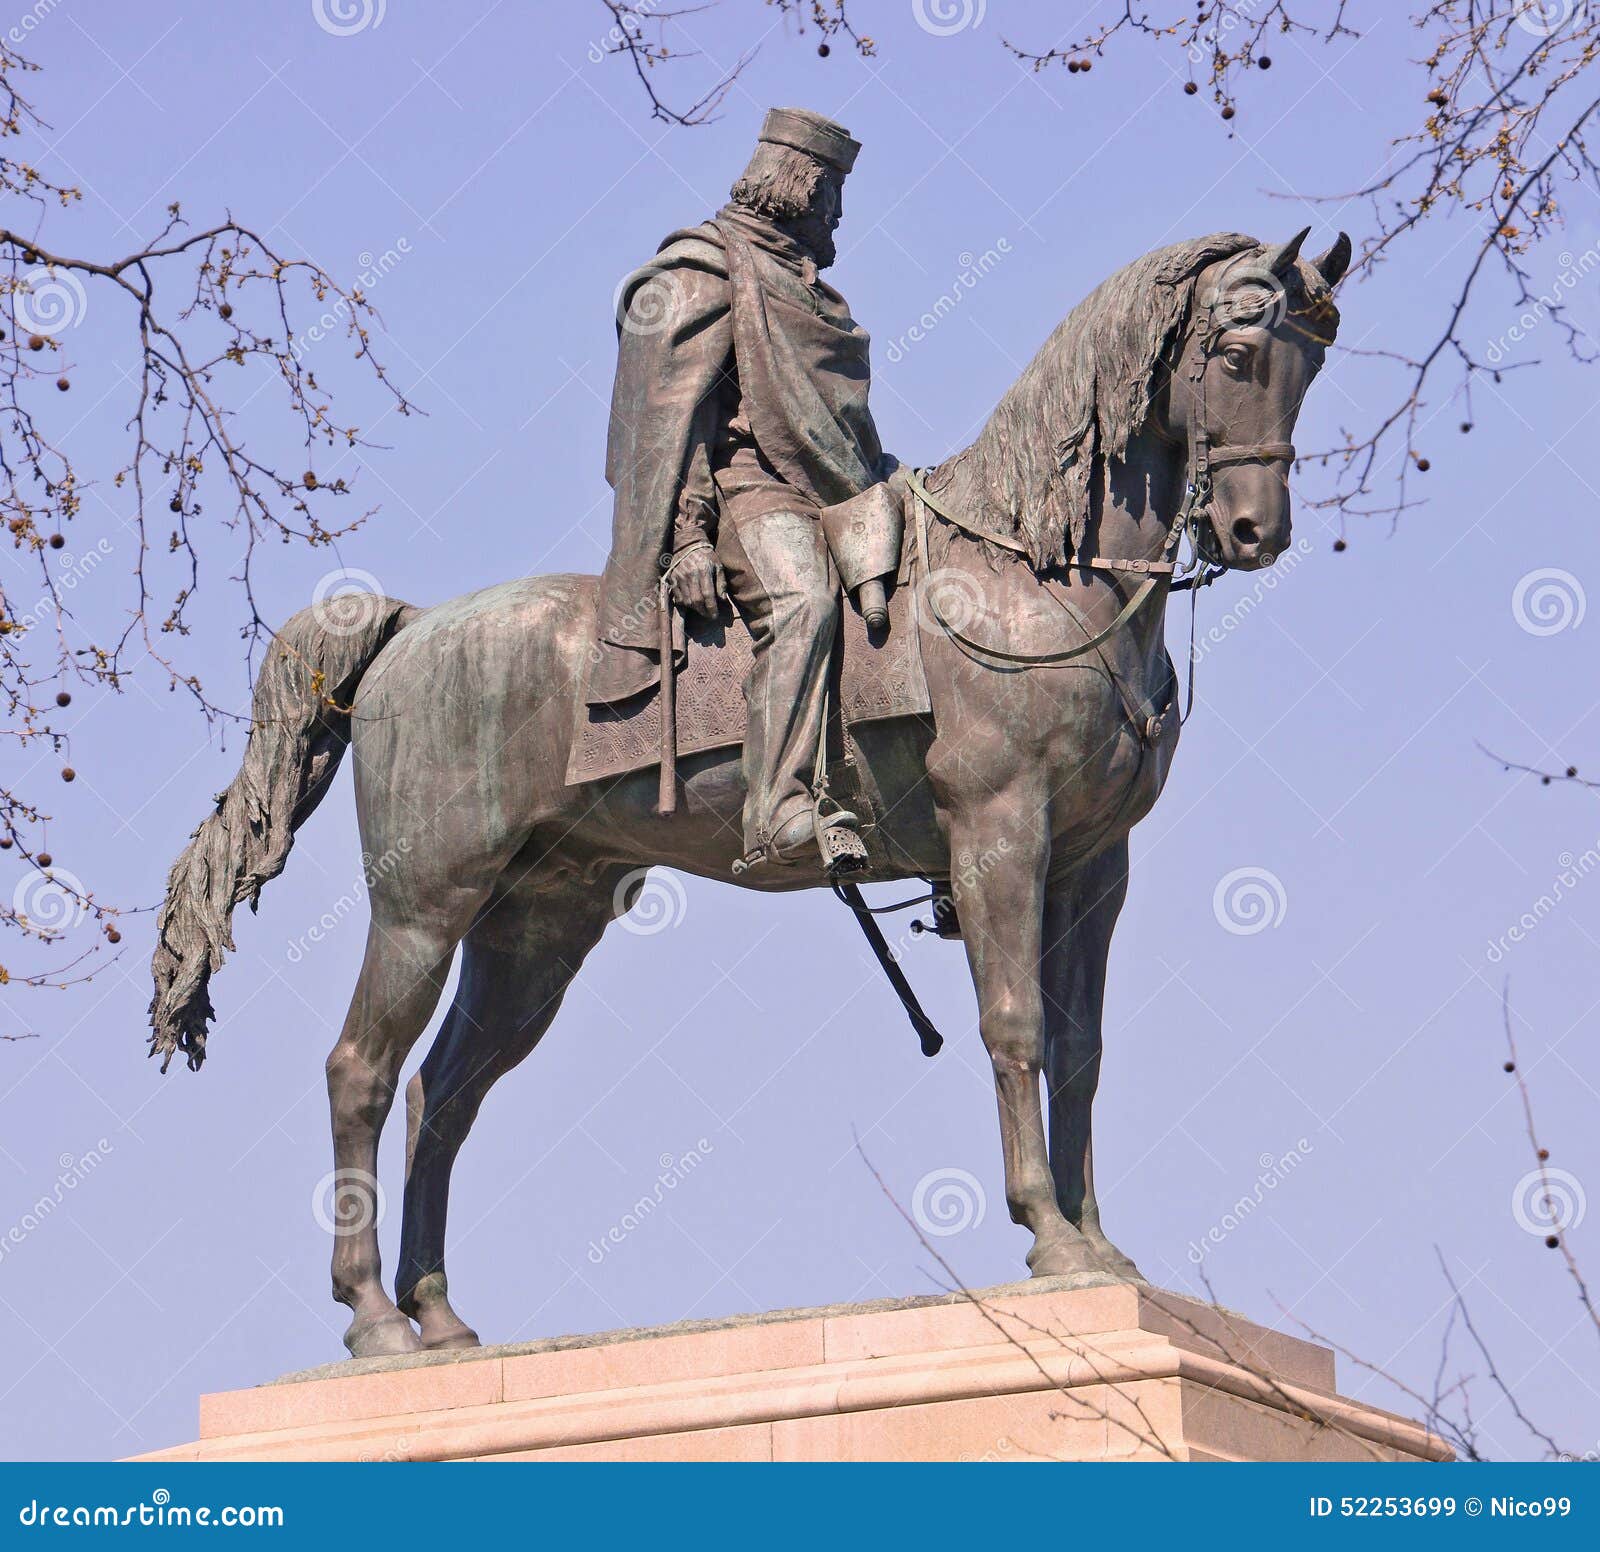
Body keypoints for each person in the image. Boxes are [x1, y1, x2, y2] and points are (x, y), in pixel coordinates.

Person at [589, 108, 894, 869]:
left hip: (839, 492)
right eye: (831, 197)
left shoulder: (804, 289)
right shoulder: (707, 272)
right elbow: (671, 423)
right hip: (749, 491)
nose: (838, 217)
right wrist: (687, 536)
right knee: (805, 603)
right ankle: (779, 804)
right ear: (798, 192)